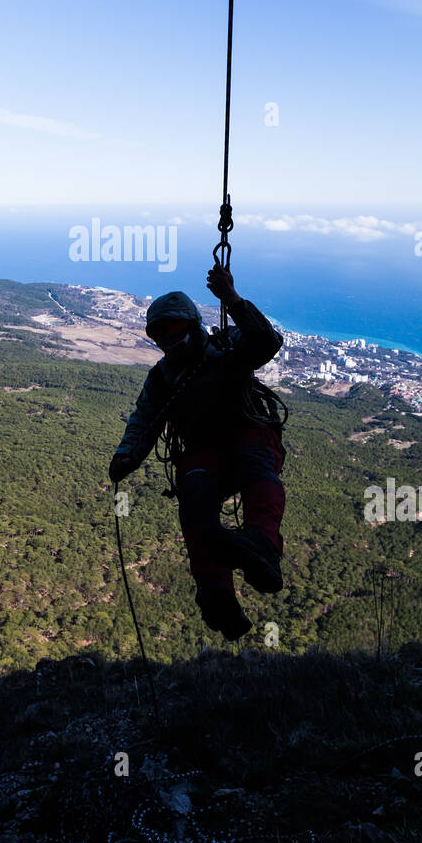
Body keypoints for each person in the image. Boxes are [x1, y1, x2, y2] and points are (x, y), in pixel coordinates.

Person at [109, 265, 287, 640]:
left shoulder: (227, 345)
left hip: (247, 433)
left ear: (193, 326)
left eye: (177, 334)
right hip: (205, 451)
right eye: (163, 338)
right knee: (194, 501)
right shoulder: (162, 377)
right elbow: (144, 419)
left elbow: (266, 343)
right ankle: (215, 590)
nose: (172, 345)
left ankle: (263, 545)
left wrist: (233, 300)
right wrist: (126, 456)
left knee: (255, 464)